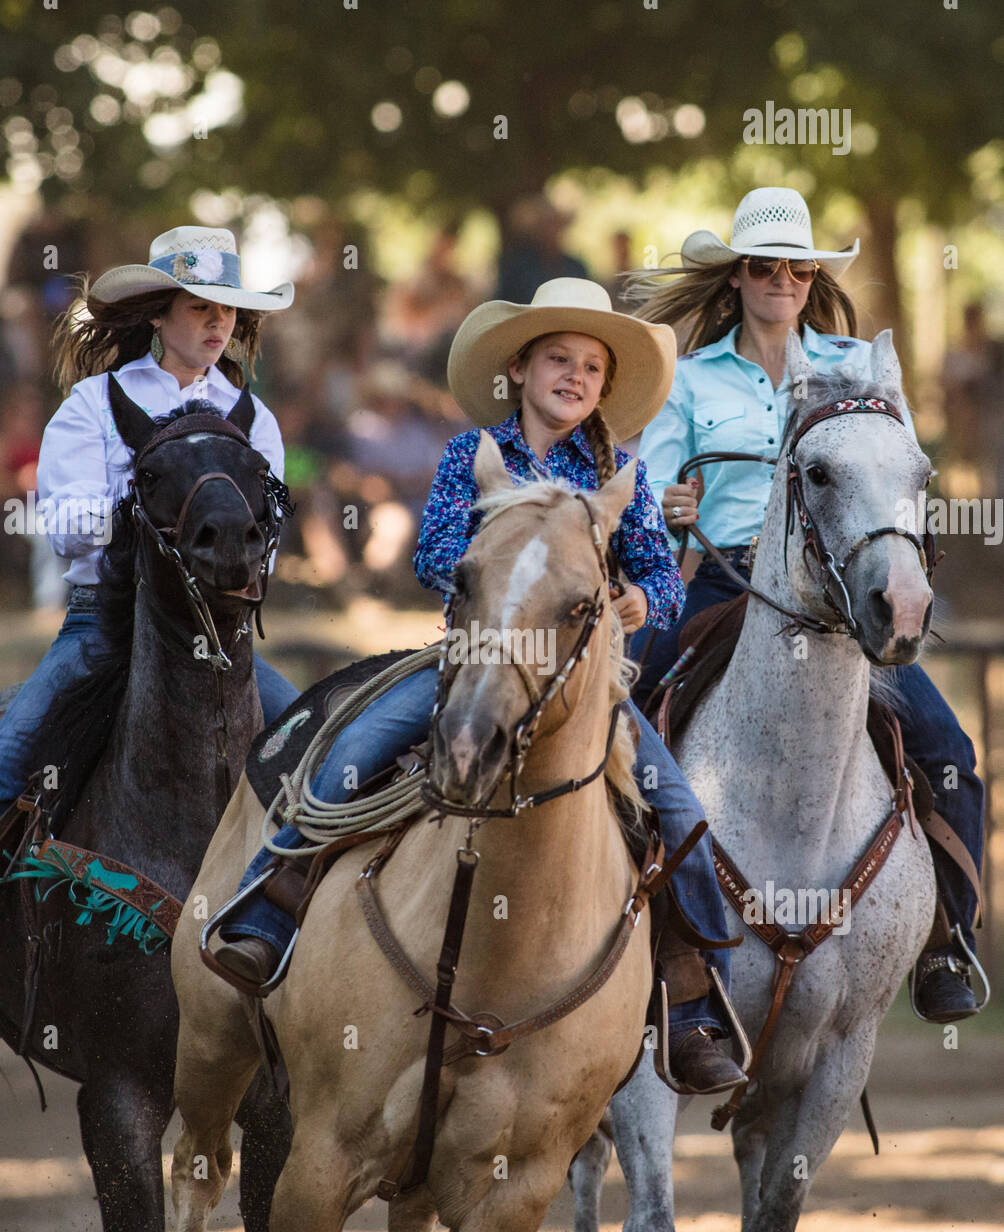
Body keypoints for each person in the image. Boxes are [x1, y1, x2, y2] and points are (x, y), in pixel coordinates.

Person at [214, 277, 747, 1094]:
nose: (574, 377)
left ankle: (691, 996)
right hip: (470, 660)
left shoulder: (622, 476)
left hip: (576, 684)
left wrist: (646, 596)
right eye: (558, 360)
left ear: (604, 387)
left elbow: (659, 579)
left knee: (676, 810)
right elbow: (432, 558)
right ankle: (270, 903)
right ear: (522, 372)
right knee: (352, 748)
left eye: (592, 368)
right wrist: (493, 564)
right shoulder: (474, 456)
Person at [628, 187, 985, 1023]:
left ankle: (947, 943)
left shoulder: (859, 365)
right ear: (736, 280)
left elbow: (901, 472)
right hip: (726, 579)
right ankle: (633, 941)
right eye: (764, 266)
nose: (782, 278)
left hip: (840, 588)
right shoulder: (688, 379)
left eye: (797, 266)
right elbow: (646, 493)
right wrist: (670, 506)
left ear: (813, 275)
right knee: (626, 717)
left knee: (946, 746)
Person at [0, 226, 299, 814]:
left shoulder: (252, 417)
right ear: (158, 316)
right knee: (9, 760)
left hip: (218, 633)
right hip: (104, 627)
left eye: (228, 310)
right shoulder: (93, 402)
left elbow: (267, 537)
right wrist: (137, 509)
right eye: (200, 308)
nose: (219, 323)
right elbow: (63, 528)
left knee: (314, 748)